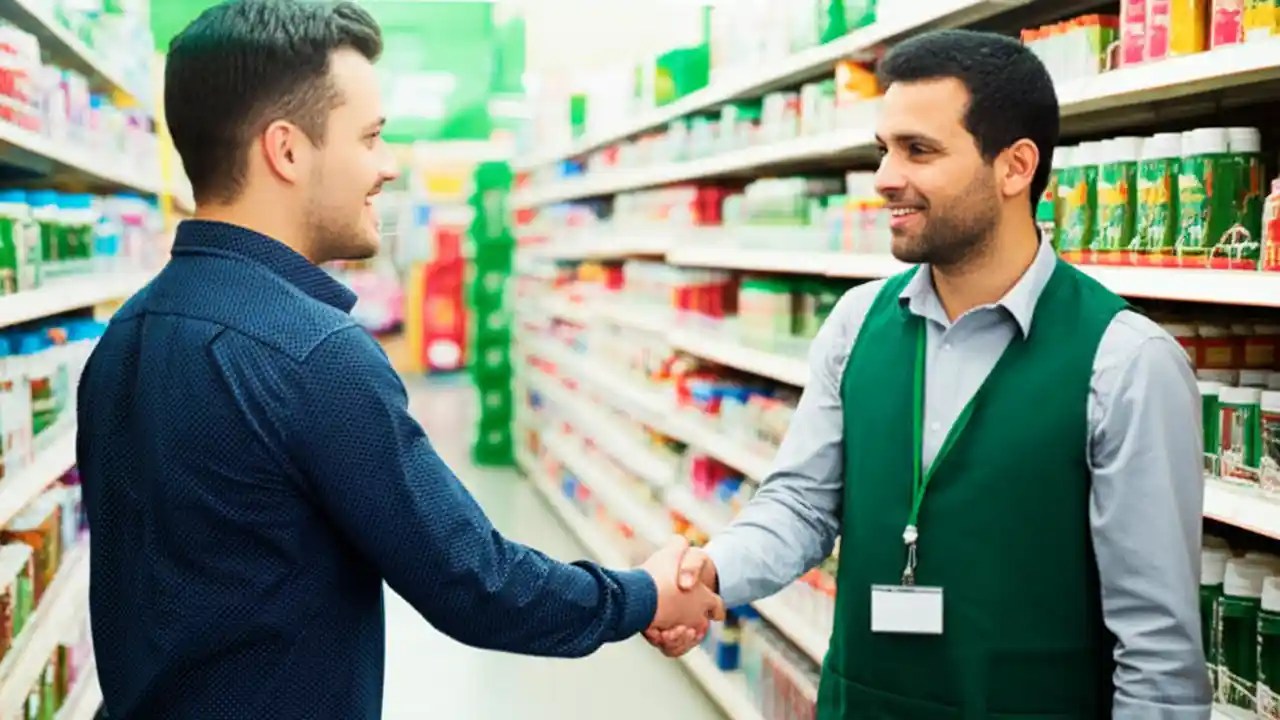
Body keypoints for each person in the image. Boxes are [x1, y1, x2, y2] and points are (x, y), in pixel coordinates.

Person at [76, 2, 723, 718]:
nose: (387, 166)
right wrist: (644, 594)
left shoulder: (126, 334)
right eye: (372, 137)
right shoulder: (313, 354)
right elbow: (475, 582)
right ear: (286, 150)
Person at [647, 29, 1211, 718]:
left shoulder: (1127, 363)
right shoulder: (857, 325)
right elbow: (800, 505)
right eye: (883, 148)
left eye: (919, 150)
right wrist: (709, 572)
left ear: (1015, 167)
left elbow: (1157, 652)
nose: (885, 176)